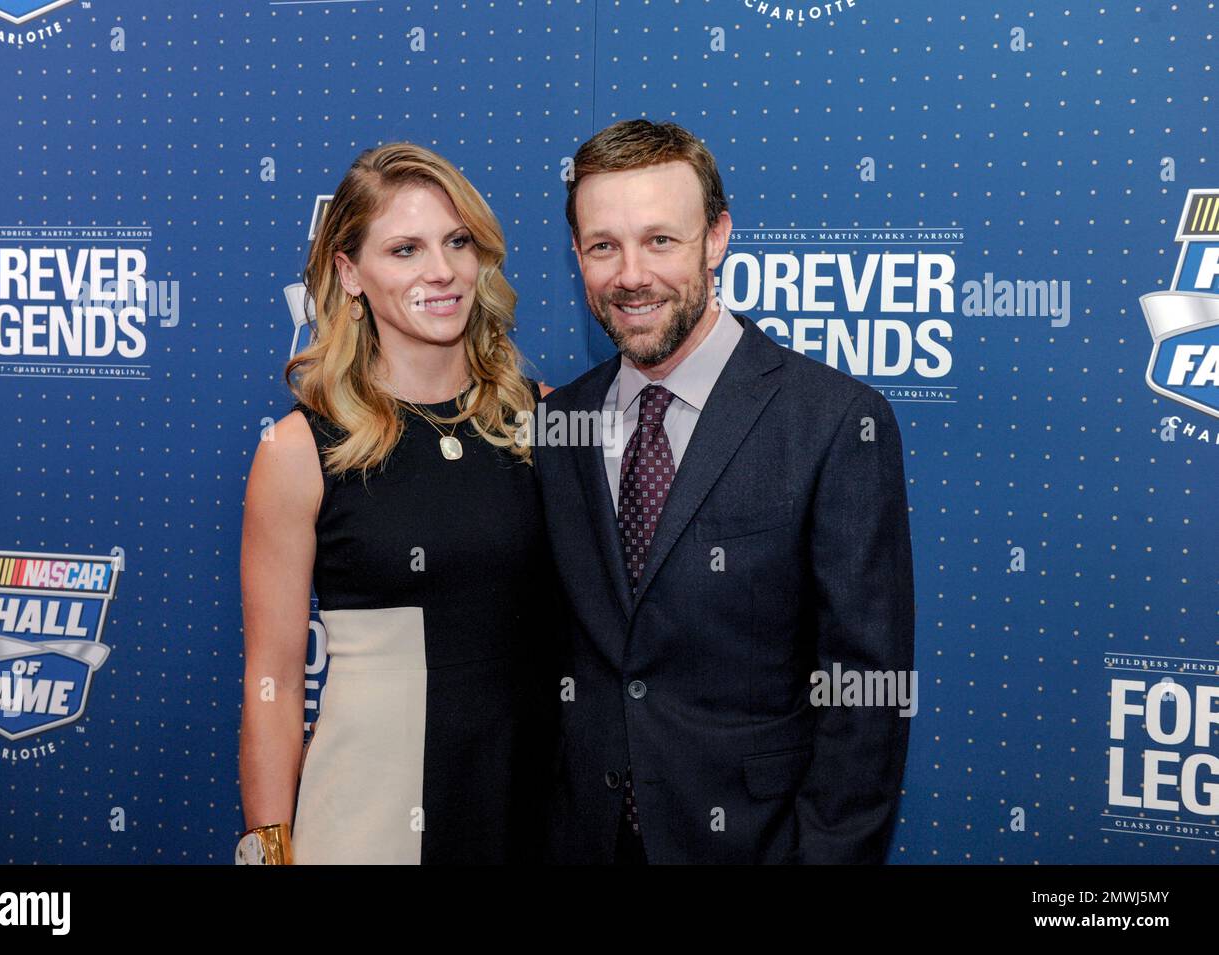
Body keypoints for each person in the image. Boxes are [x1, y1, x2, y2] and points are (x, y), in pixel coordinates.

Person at [535, 119, 916, 864]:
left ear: (717, 238)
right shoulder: (559, 424)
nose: (631, 274)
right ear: (577, 254)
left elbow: (866, 692)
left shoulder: (835, 422)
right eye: (604, 245)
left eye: (661, 240)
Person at [238, 142, 554, 864]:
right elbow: (275, 684)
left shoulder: (543, 422)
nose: (440, 271)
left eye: (456, 242)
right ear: (350, 272)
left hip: (530, 812)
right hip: (368, 821)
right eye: (405, 249)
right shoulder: (300, 451)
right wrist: (269, 852)